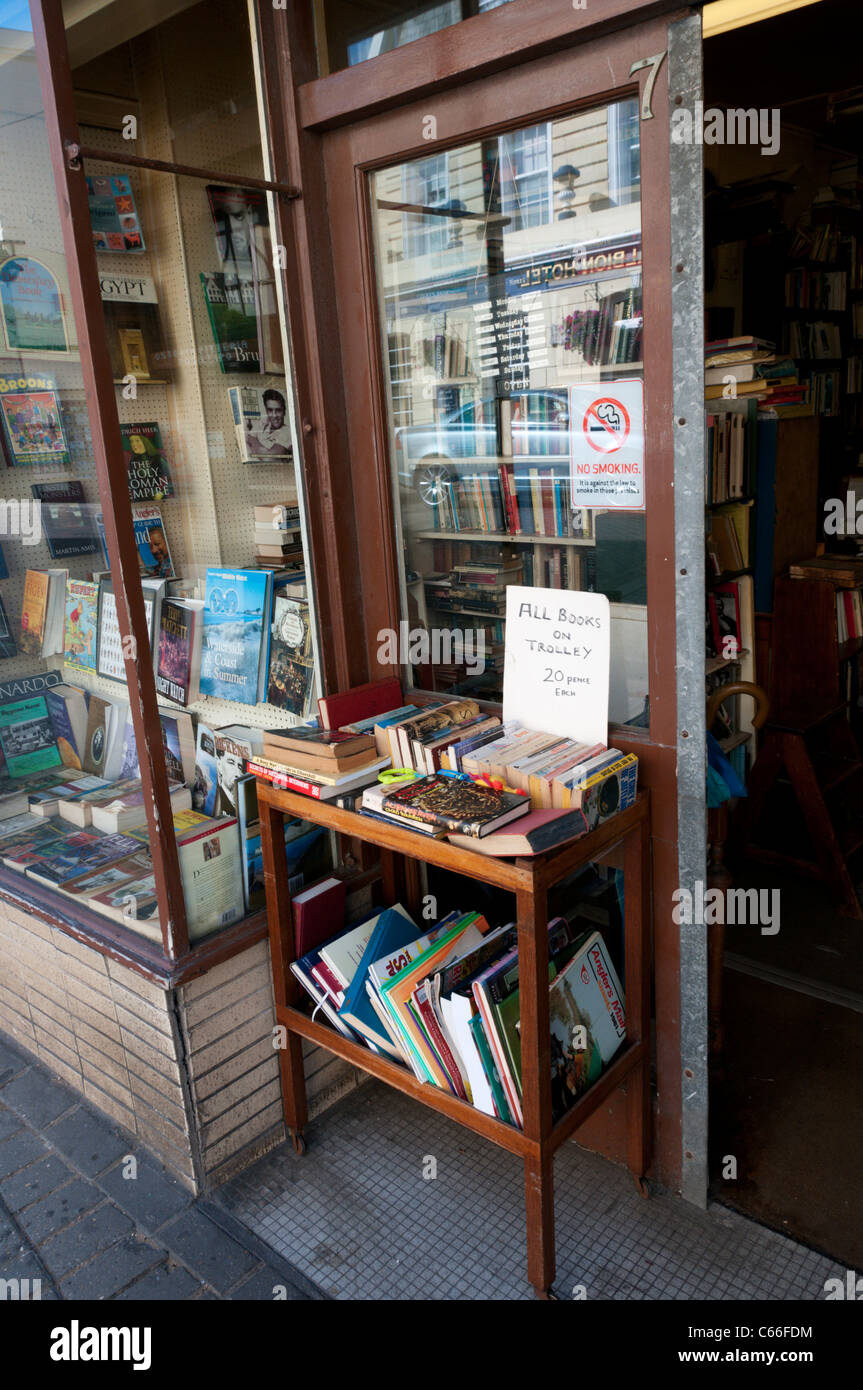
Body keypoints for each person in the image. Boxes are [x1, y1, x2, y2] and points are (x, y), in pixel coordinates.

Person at [245, 388, 292, 458]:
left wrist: (254, 442)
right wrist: (259, 449)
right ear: (266, 411)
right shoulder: (263, 423)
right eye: (270, 410)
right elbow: (248, 438)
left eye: (278, 410)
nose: (274, 415)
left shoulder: (288, 432)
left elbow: (267, 458)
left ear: (284, 411)